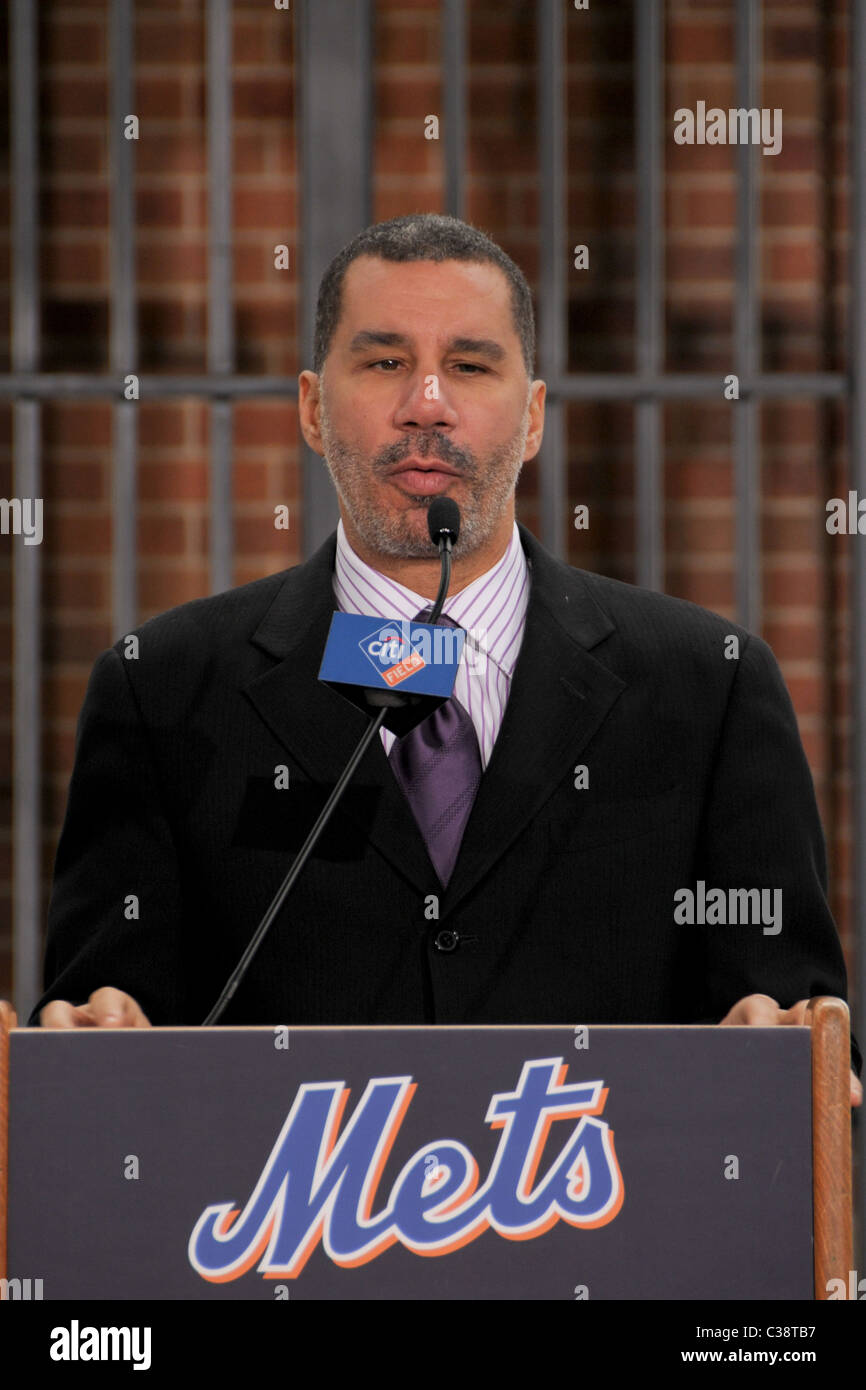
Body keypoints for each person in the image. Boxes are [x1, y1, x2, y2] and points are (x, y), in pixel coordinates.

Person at [31, 214, 861, 1104]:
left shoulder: (711, 687)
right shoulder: (162, 688)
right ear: (312, 407)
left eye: (469, 365)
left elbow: (787, 1027)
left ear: (534, 416)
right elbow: (105, 1040)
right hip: (286, 1235)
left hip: (600, 1226)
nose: (427, 402)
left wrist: (776, 1042)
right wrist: (98, 1031)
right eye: (385, 361)